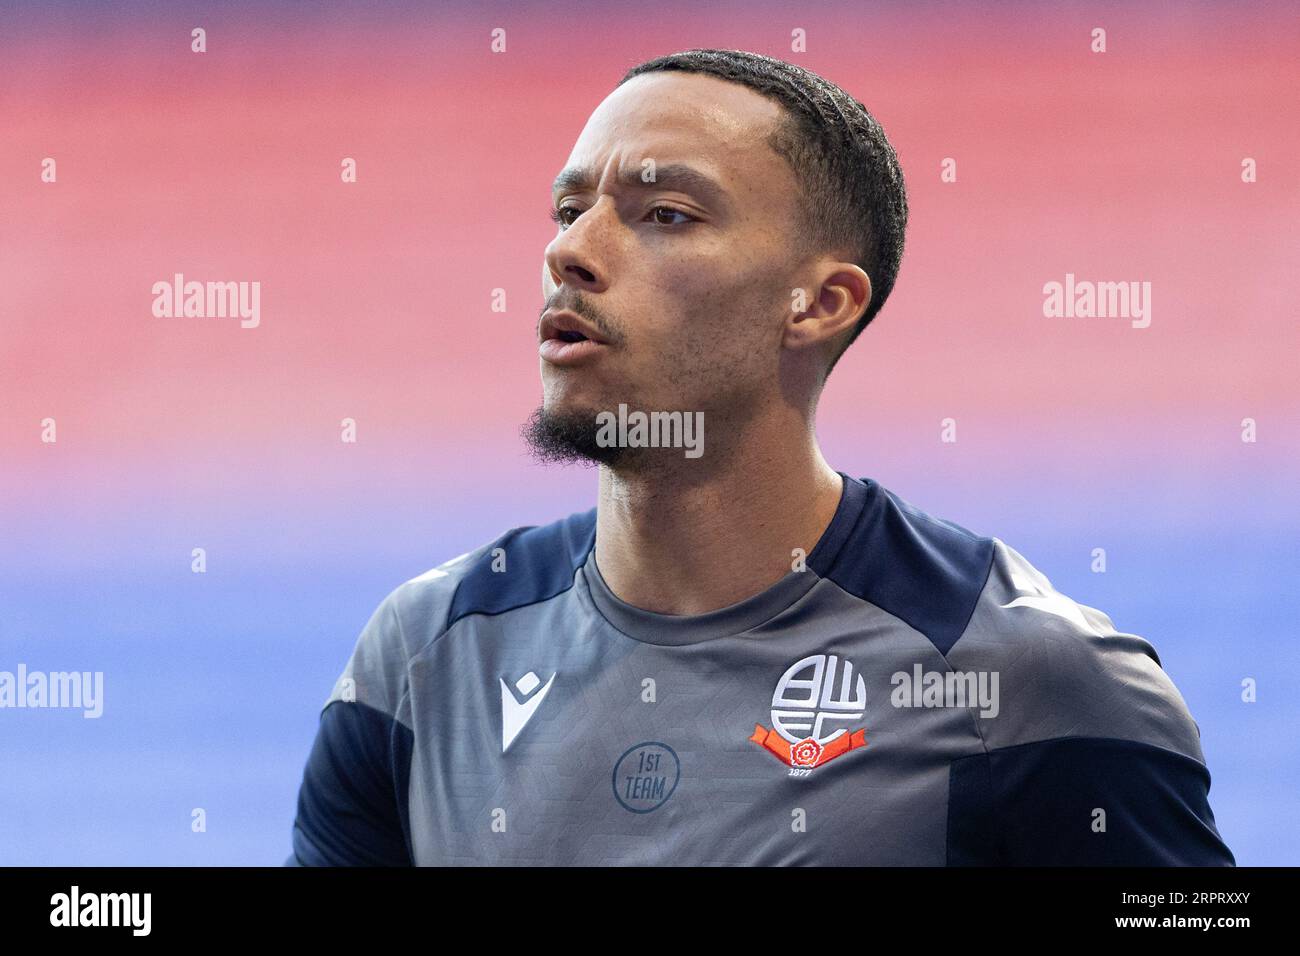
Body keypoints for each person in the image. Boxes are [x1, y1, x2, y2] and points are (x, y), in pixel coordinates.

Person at [288, 49, 1233, 866]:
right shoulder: (426, 655)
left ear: (819, 303)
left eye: (664, 214)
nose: (572, 251)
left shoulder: (1026, 680)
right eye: (568, 209)